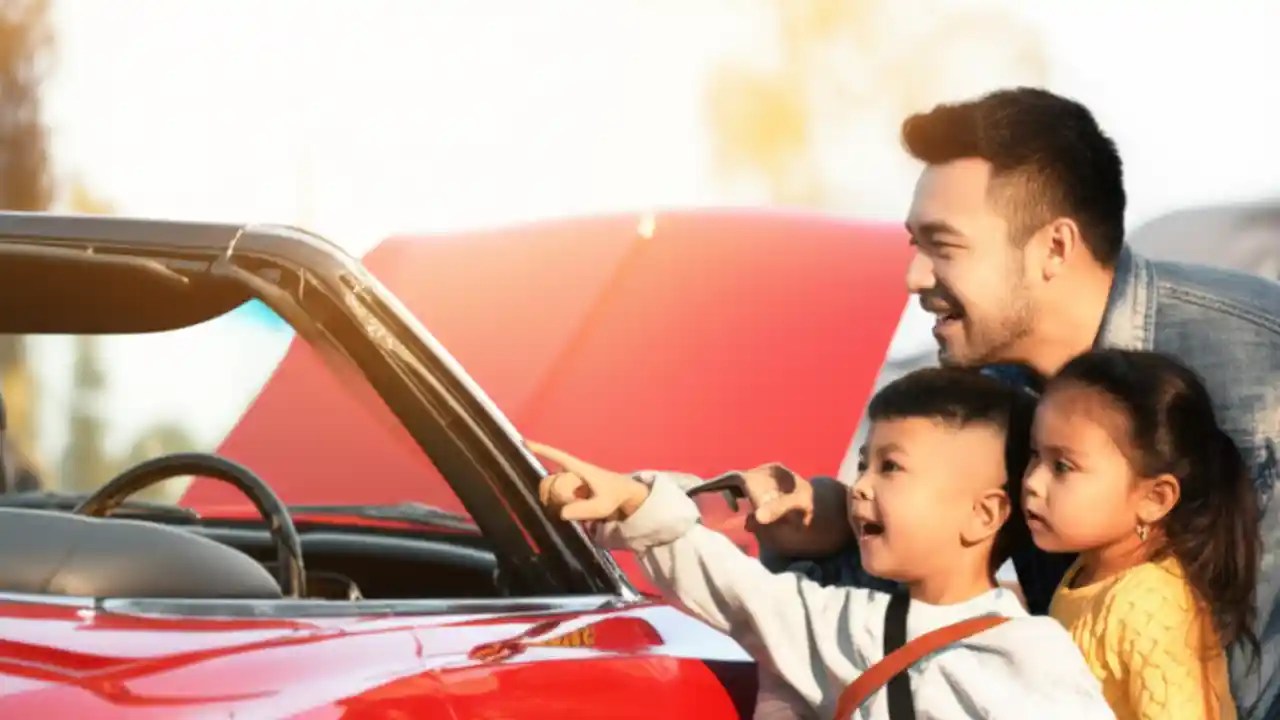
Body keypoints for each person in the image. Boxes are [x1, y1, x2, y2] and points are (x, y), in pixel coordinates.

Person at [730, 86, 1280, 718]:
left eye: (944, 245)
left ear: (1054, 247)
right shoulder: (986, 399)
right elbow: (891, 610)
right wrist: (828, 527)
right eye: (915, 245)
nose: (914, 276)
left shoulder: (1260, 360)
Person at [530, 368, 1114, 719]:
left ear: (982, 513)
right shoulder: (843, 619)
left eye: (891, 468)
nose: (858, 486)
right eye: (864, 463)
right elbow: (734, 587)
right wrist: (637, 502)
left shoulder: (1034, 653)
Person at [1026, 350, 1259, 718]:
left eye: (1063, 466)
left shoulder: (1151, 604)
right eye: (1034, 455)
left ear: (1154, 498)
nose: (1033, 482)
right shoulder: (1088, 572)